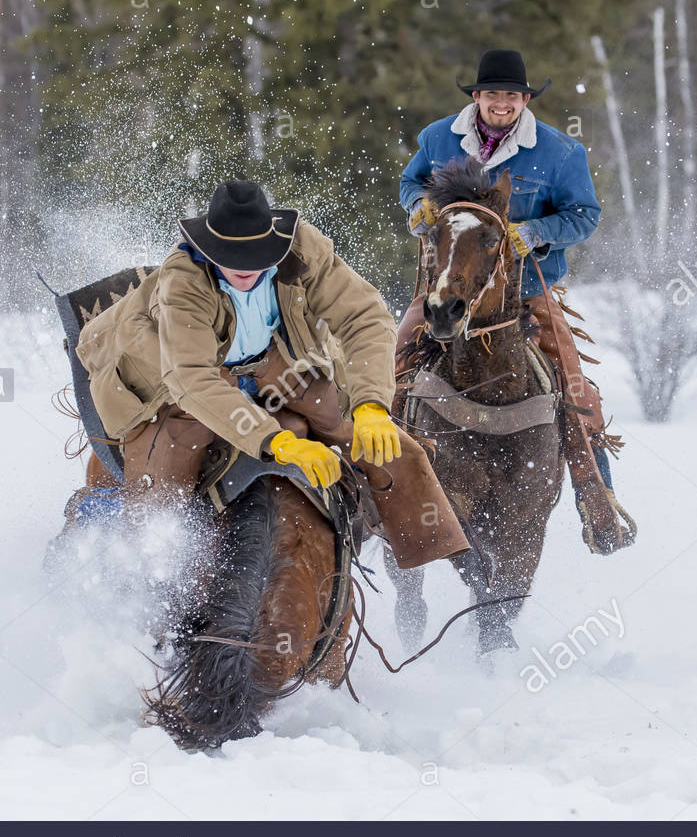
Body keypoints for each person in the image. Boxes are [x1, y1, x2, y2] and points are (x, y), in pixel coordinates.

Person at [76, 179, 470, 569]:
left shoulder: (304, 249)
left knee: (359, 428)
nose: (244, 268)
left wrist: (371, 405)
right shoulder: (183, 280)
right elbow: (191, 379)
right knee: (165, 489)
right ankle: (142, 575)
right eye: (231, 257)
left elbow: (364, 317)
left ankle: (428, 541)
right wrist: (277, 441)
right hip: (175, 379)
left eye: (255, 255)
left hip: (266, 360)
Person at [396, 48, 636, 554]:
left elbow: (585, 215)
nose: (500, 103)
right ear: (477, 97)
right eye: (491, 94)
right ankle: (378, 482)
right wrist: (418, 205)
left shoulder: (560, 152)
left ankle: (599, 501)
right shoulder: (438, 138)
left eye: (511, 95)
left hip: (525, 292)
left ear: (525, 100)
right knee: (395, 362)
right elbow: (411, 182)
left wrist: (535, 231)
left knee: (575, 385)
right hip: (450, 286)